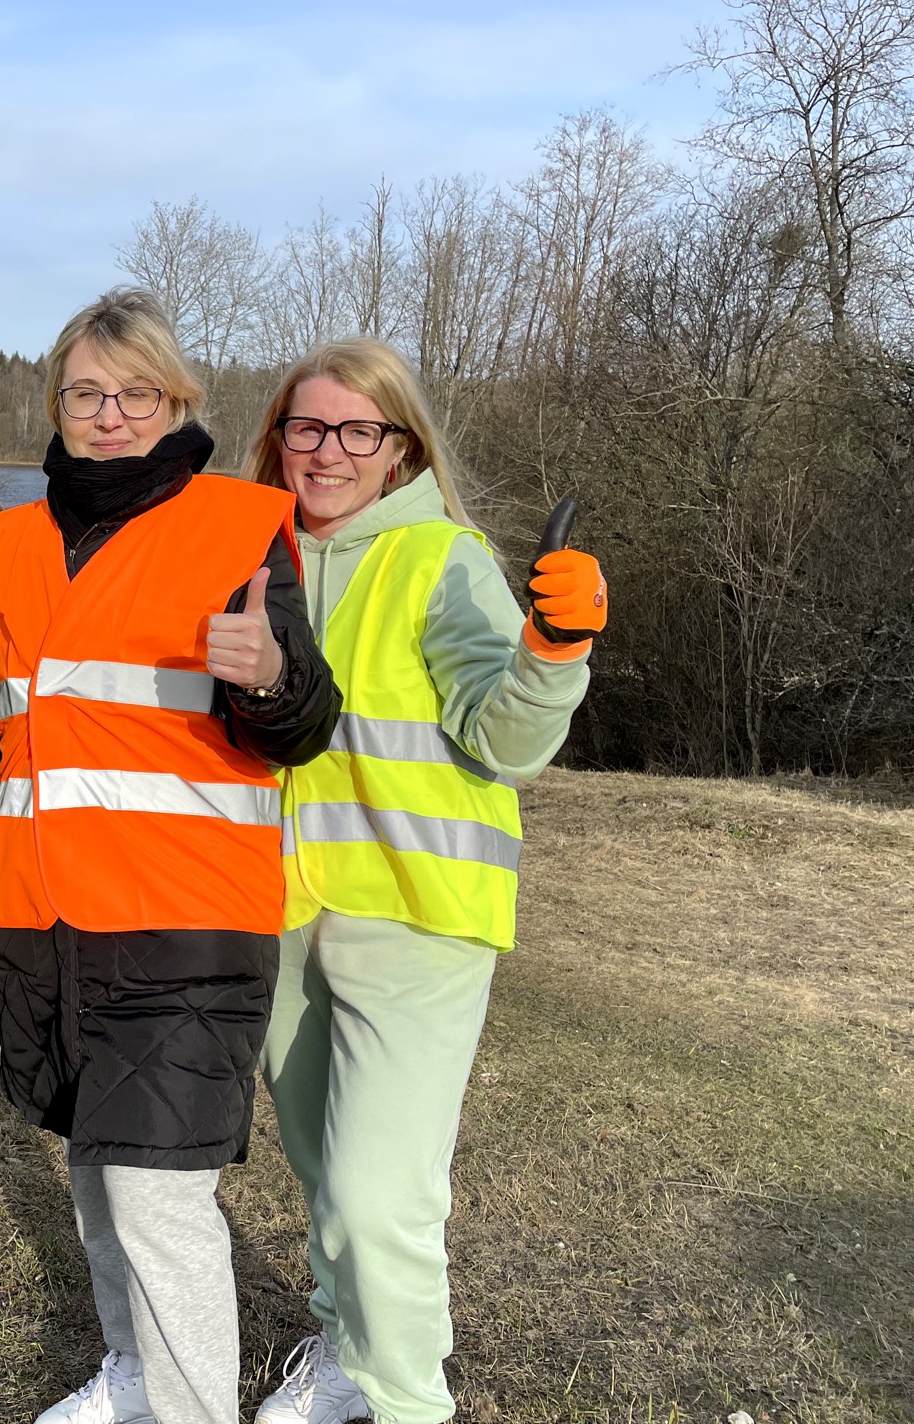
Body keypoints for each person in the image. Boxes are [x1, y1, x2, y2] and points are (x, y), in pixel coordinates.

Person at [0, 288, 341, 1424]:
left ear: (177, 402)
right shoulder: (9, 545)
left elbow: (299, 727)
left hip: (185, 922)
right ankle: (132, 1379)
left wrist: (270, 676)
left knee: (157, 1199)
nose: (108, 415)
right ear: (56, 404)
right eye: (85, 394)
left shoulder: (238, 526)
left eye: (134, 394)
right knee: (100, 1179)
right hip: (41, 917)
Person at [241, 338, 604, 1424]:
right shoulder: (249, 558)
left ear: (397, 447)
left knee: (377, 1195)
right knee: (319, 1168)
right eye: (306, 427)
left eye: (358, 430)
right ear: (276, 438)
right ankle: (344, 1350)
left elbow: (502, 738)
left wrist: (552, 649)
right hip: (280, 912)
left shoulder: (439, 558)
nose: (328, 451)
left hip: (416, 915)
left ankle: (406, 1403)